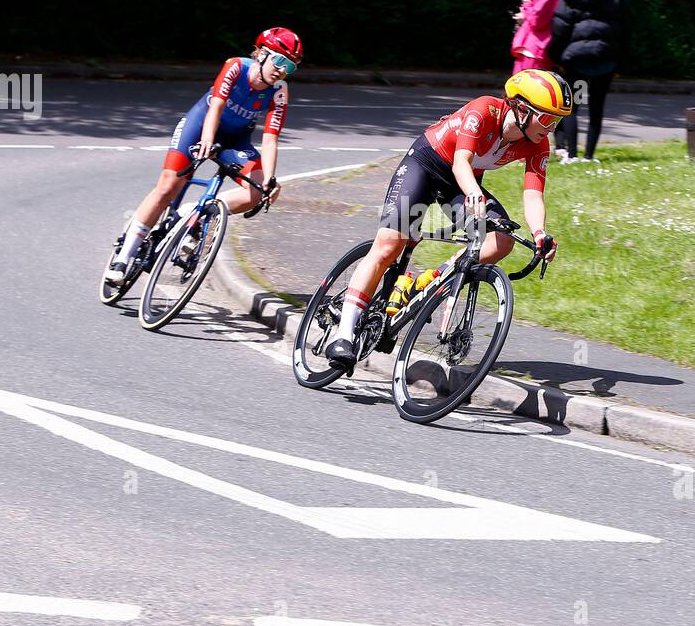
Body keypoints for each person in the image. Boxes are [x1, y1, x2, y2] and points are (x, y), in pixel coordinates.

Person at [323, 69, 571, 370]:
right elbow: (461, 162)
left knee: (500, 241)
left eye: (556, 121)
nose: (551, 128)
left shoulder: (537, 143)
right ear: (521, 108)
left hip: (459, 181)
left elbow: (533, 194)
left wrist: (540, 232)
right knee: (390, 245)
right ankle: (344, 333)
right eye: (547, 119)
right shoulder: (484, 110)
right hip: (425, 165)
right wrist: (473, 194)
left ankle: (426, 282)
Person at [104, 27, 301, 285]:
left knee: (256, 193)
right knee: (167, 187)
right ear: (262, 54)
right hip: (201, 125)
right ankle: (125, 255)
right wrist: (207, 140)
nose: (282, 70)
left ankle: (196, 210)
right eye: (279, 61)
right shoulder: (236, 67)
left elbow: (270, 136)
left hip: (235, 140)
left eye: (291, 67)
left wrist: (270, 179)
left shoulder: (279, 90)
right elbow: (217, 104)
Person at [546, 0, 627, 165]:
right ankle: (590, 155)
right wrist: (621, 60)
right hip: (605, 58)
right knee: (597, 106)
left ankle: (571, 155)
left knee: (572, 106)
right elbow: (625, 30)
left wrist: (555, 56)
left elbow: (560, 28)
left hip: (577, 59)